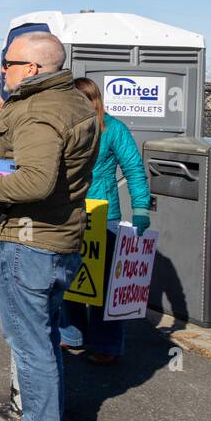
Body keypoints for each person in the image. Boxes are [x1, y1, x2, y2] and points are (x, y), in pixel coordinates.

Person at [0, 31, 99, 421]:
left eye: (9, 62)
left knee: (29, 342)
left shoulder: (40, 112)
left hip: (27, 241)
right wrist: (0, 123)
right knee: (45, 338)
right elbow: (33, 162)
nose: (3, 69)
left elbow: (35, 181)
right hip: (56, 238)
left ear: (34, 68)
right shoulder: (71, 102)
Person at [58, 77, 152, 365]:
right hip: (69, 212)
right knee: (69, 278)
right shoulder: (67, 127)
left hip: (103, 214)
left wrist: (141, 210)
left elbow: (135, 170)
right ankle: (71, 335)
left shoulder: (113, 128)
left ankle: (107, 344)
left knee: (104, 286)